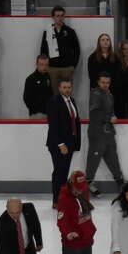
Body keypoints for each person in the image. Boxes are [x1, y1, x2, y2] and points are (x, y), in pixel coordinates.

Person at [86, 72, 125, 197]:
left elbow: (111, 111)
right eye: (103, 82)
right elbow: (94, 114)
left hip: (108, 132)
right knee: (93, 159)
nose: (105, 85)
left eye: (107, 82)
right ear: (98, 82)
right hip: (97, 133)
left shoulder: (110, 95)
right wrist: (109, 118)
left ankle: (120, 181)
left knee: (113, 158)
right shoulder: (95, 94)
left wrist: (113, 116)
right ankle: (88, 183)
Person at [46, 77, 81, 207]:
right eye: (64, 87)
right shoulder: (54, 102)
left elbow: (75, 122)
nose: (67, 90)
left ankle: (62, 198)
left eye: (69, 87)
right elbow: (53, 125)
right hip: (58, 144)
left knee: (64, 171)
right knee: (59, 171)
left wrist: (75, 142)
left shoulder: (72, 100)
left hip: (70, 142)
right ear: (59, 88)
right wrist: (61, 144)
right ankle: (56, 200)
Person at [40, 4, 80, 92]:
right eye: (57, 16)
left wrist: (73, 66)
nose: (60, 18)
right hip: (52, 68)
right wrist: (45, 66)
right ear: (53, 17)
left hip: (67, 69)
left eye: (62, 16)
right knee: (54, 94)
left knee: (66, 94)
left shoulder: (70, 31)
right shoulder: (47, 32)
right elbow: (43, 50)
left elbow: (76, 50)